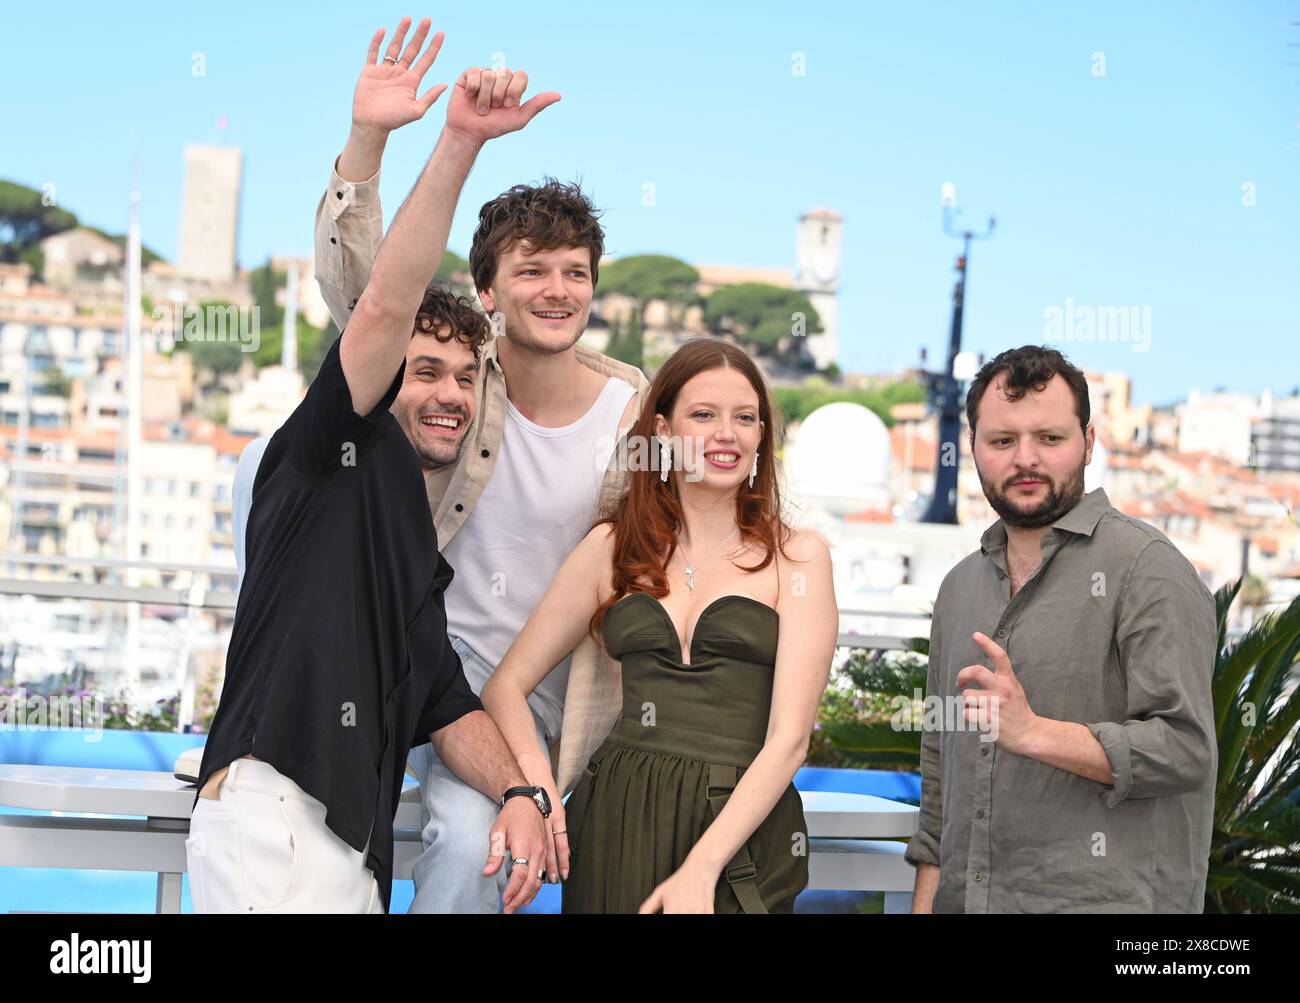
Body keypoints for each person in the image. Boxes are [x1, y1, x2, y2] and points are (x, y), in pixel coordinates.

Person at [187, 24, 555, 914]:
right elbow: (388, 295)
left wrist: (520, 794)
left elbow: (449, 707)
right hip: (271, 818)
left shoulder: (412, 547)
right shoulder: (330, 447)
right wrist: (453, 141)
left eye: (468, 378)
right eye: (425, 371)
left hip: (349, 851)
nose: (451, 395)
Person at [311, 17, 649, 912]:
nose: (557, 289)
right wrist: (369, 140)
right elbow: (365, 295)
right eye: (533, 270)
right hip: (419, 672)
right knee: (391, 838)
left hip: (551, 705)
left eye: (575, 272)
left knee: (475, 846)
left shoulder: (634, 411)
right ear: (489, 291)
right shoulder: (455, 375)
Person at [480, 339, 838, 913]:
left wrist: (702, 868)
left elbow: (790, 740)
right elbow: (505, 685)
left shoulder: (799, 559)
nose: (728, 433)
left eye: (746, 418)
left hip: (741, 830)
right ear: (664, 432)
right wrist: (538, 786)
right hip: (617, 814)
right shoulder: (611, 548)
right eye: (704, 415)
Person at [904, 345, 1217, 913]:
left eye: (1050, 439)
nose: (1026, 459)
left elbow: (1186, 749)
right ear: (971, 446)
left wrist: (1034, 733)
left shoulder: (1148, 568)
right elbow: (939, 780)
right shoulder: (958, 589)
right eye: (1002, 441)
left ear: (1089, 442)